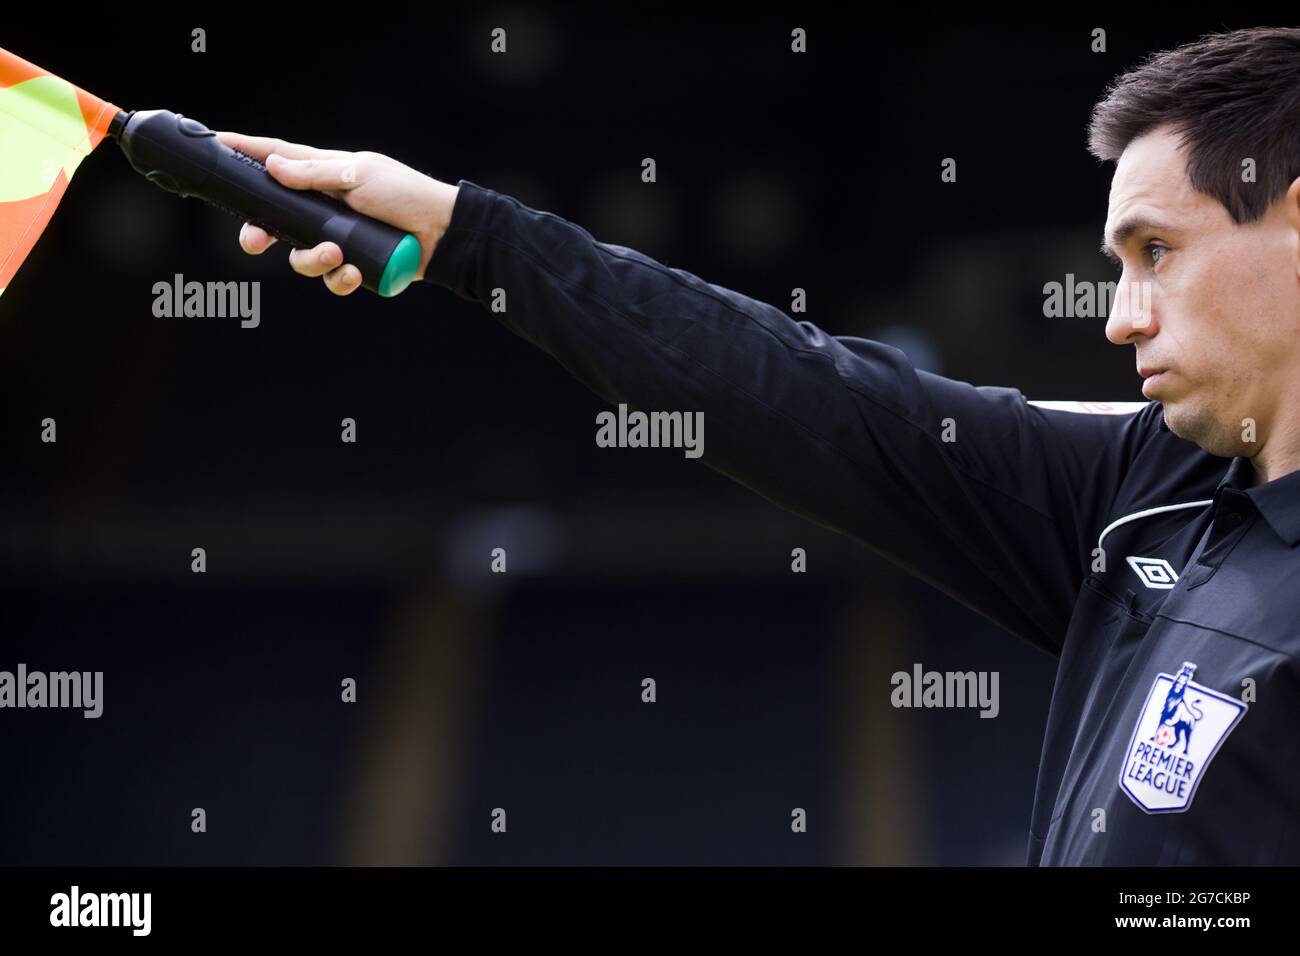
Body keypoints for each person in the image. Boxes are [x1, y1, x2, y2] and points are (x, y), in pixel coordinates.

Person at [215, 26, 1300, 864]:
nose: (1119, 317)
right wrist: (472, 236)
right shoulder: (1149, 491)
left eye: (1156, 251)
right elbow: (796, 391)